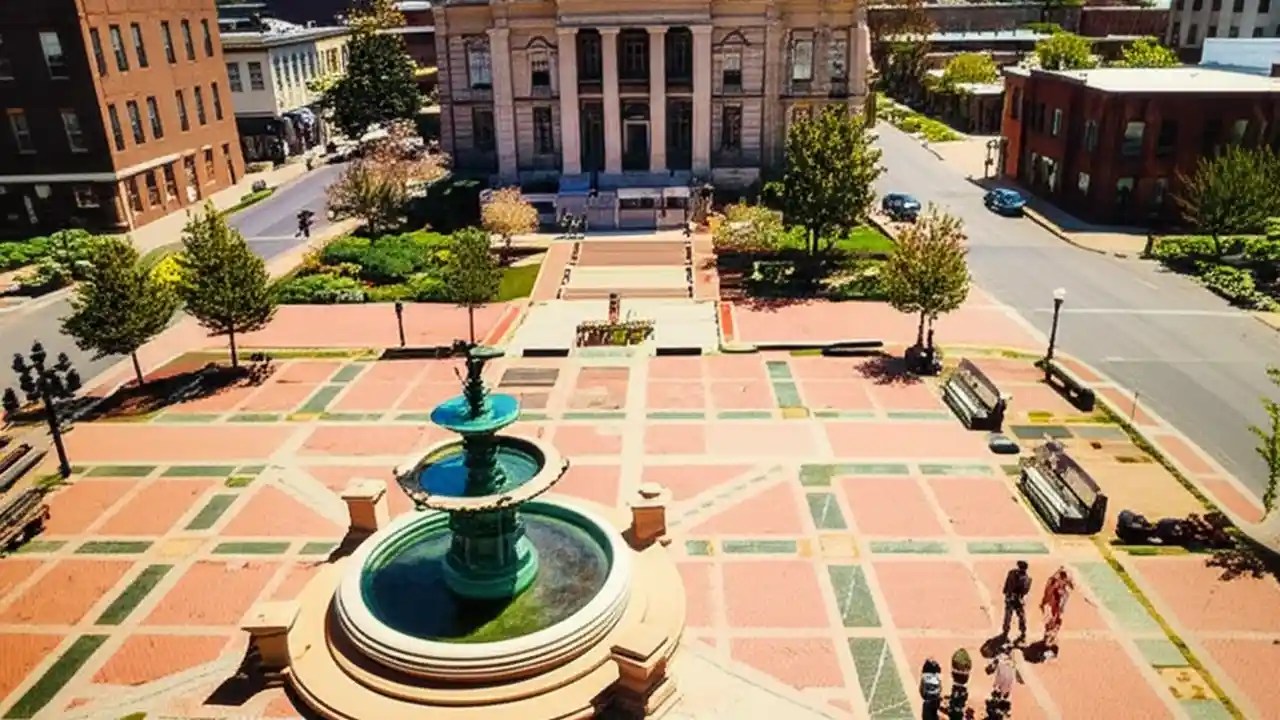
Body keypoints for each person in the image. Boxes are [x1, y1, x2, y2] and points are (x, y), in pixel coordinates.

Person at [1039, 566, 1076, 658]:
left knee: (1053, 629)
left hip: (1056, 612)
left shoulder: (1063, 592)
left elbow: (1060, 605)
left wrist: (1056, 615)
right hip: (1052, 609)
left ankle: (1050, 648)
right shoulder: (1053, 585)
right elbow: (1051, 581)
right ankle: (1047, 644)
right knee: (1049, 627)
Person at [1001, 560, 1032, 643]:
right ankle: (1006, 632)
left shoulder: (1027, 579)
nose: (1021, 570)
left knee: (1020, 617)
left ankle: (1022, 633)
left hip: (1017, 600)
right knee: (1008, 617)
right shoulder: (1012, 573)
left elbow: (1025, 591)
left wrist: (1017, 596)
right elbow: (1007, 583)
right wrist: (1007, 594)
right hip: (1011, 599)